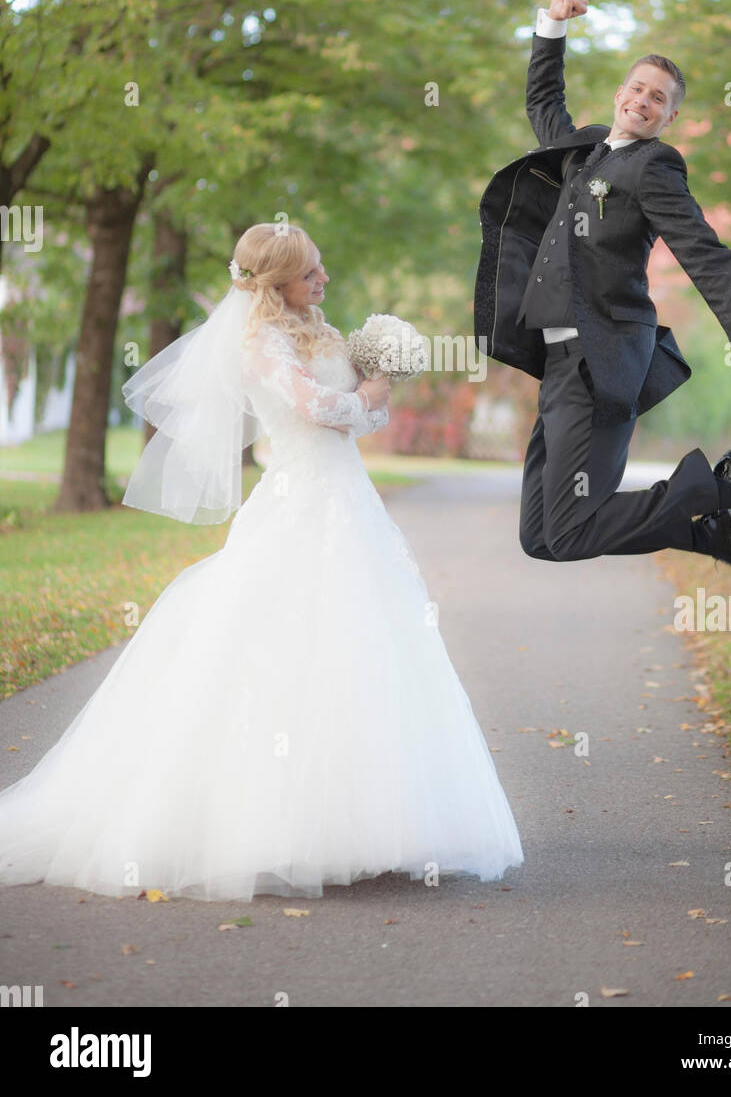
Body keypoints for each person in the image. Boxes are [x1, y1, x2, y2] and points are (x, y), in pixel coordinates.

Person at [0, 223, 522, 903]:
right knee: (278, 647)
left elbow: (343, 410)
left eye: (321, 267)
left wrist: (371, 380)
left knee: (365, 651)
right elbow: (316, 409)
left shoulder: (313, 328)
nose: (324, 280)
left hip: (347, 501)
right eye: (309, 274)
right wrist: (370, 395)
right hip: (302, 503)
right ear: (273, 286)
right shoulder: (259, 343)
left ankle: (365, 821)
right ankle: (271, 827)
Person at [474, 0, 731, 591]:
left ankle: (721, 486)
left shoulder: (654, 167)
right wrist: (554, 25)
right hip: (558, 362)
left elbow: (705, 256)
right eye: (637, 88)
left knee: (571, 530)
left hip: (599, 361)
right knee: (541, 537)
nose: (643, 101)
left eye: (658, 98)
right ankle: (701, 528)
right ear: (620, 93)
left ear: (669, 116)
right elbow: (542, 99)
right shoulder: (583, 150)